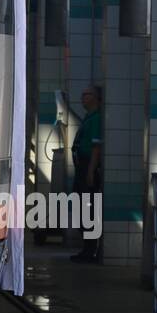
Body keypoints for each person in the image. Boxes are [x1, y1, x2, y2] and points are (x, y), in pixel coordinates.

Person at [70, 84, 103, 263]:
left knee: (87, 209)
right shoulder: (88, 117)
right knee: (79, 207)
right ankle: (87, 248)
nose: (83, 98)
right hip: (82, 166)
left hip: (88, 167)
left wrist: (90, 171)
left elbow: (96, 148)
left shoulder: (97, 119)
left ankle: (90, 250)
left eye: (87, 94)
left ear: (97, 98)